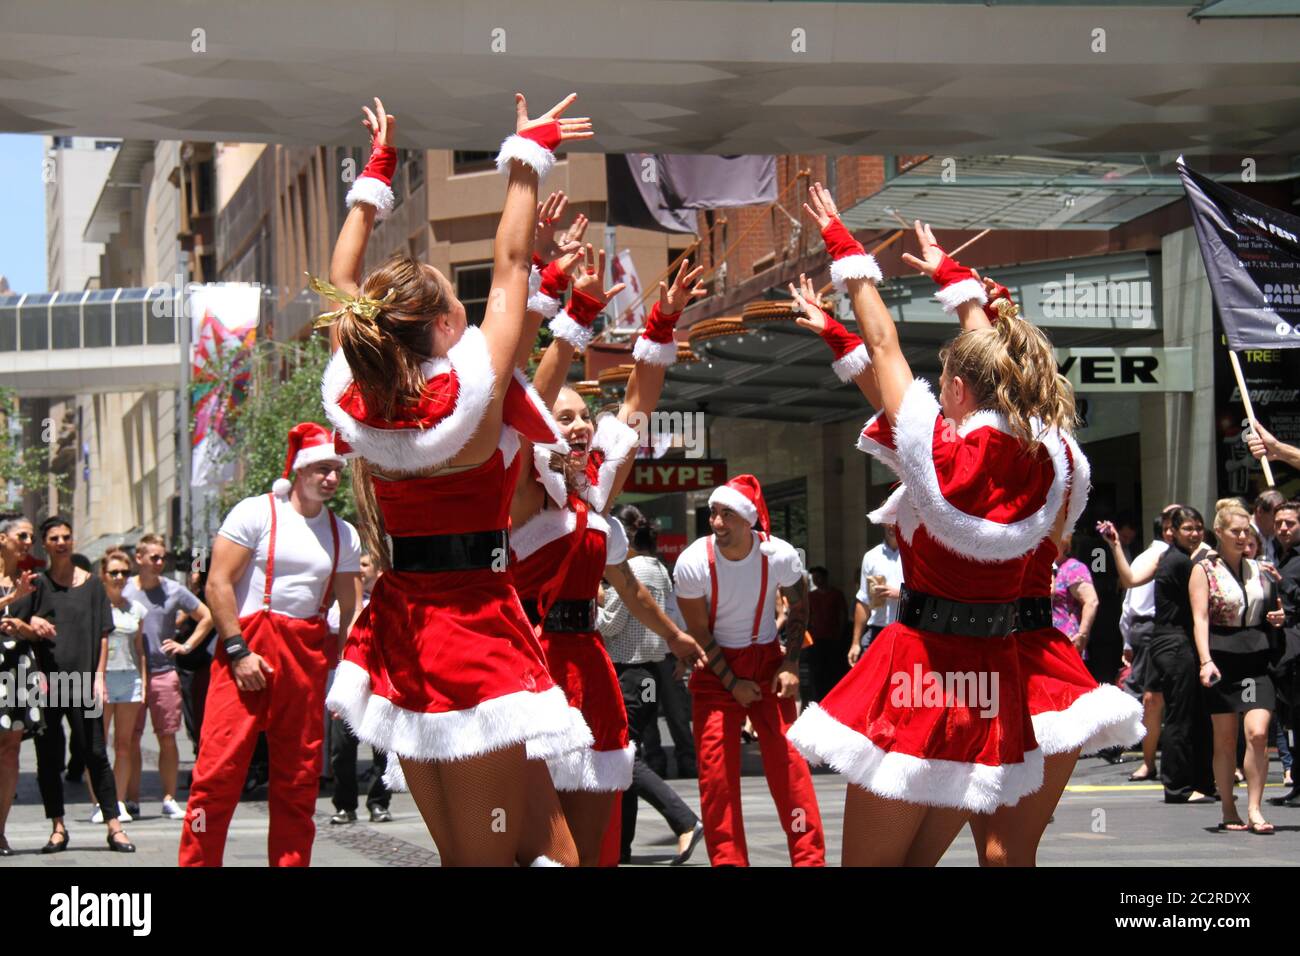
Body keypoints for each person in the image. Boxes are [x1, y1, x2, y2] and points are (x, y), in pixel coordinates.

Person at [322, 95, 599, 867]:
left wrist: (378, 172)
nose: (469, 312)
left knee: (536, 851)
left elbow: (345, 279)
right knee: (488, 858)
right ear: (445, 327)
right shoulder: (471, 396)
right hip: (470, 628)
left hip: (405, 624)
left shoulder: (367, 398)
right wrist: (525, 155)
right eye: (456, 299)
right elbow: (510, 266)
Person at [786, 197, 1073, 866]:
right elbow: (995, 366)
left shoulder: (938, 452)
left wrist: (846, 253)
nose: (932, 386)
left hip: (920, 670)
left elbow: (884, 347)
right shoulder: (1047, 456)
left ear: (958, 390)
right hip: (990, 677)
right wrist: (957, 286)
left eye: (942, 376)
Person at [510, 240, 708, 866]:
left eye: (581, 417)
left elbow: (638, 404)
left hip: (590, 664)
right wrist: (578, 311)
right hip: (530, 662)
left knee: (598, 840)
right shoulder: (521, 489)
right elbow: (524, 407)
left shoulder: (594, 494)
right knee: (533, 838)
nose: (575, 425)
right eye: (562, 415)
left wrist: (663, 322)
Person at [179, 422, 362, 866]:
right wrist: (238, 650)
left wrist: (354, 675)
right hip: (247, 649)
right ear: (299, 471)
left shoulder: (345, 535)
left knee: (299, 781)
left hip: (304, 657)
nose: (331, 477)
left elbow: (353, 609)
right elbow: (218, 583)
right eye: (322, 468)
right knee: (217, 774)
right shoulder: (255, 513)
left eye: (337, 469)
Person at [674, 475, 826, 867]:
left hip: (766, 662)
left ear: (749, 520)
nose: (717, 523)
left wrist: (792, 663)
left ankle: (809, 861)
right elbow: (700, 633)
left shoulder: (780, 555)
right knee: (717, 778)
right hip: (715, 668)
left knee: (790, 769)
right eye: (713, 513)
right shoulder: (693, 562)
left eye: (727, 514)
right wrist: (732, 683)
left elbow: (799, 608)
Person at [598, 505, 705, 865]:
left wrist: (588, 599)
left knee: (625, 756)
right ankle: (621, 847)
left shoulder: (633, 570)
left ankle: (683, 818)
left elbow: (609, 624)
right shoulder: (658, 567)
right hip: (649, 672)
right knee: (629, 754)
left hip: (628, 672)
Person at [24, 516, 135, 852]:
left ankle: (114, 826)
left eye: (67, 537)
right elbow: (18, 622)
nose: (62, 542)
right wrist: (33, 619)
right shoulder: (38, 585)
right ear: (46, 544)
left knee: (95, 753)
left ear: (72, 542)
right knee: (49, 757)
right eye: (55, 538)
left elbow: (104, 635)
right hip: (46, 684)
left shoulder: (92, 585)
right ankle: (58, 828)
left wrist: (99, 677)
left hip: (83, 682)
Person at [1105, 505, 1216, 802]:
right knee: (1183, 716)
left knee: (1180, 713)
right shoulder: (1186, 563)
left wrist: (1115, 545)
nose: (1194, 534)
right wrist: (1206, 659)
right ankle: (1180, 787)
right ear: (1172, 532)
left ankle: (1193, 783)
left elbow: (1128, 579)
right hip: (1178, 643)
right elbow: (1200, 615)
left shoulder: (1167, 558)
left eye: (1198, 528)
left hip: (1163, 642)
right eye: (1187, 529)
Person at [1193, 499, 1286, 833]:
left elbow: (1271, 609)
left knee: (1259, 734)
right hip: (1222, 658)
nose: (1242, 536)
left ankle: (1255, 809)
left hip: (1256, 658)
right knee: (1225, 739)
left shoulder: (1260, 569)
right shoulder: (1203, 569)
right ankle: (1229, 808)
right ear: (1219, 532)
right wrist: (1205, 660)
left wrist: (1277, 617)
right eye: (1235, 531)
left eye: (1247, 531)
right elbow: (1200, 618)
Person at [122, 533, 212, 820]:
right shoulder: (122, 588)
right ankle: (131, 798)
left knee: (167, 737)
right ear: (139, 559)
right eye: (155, 557)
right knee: (130, 739)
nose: (160, 562)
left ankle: (170, 797)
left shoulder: (173, 589)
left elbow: (207, 616)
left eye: (164, 557)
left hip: (163, 672)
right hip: (128, 674)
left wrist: (185, 646)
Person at [328, 551, 392, 825]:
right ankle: (345, 805)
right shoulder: (342, 603)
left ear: (378, 572)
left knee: (383, 749)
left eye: (364, 565)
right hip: (350, 681)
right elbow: (334, 623)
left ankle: (378, 803)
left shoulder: (390, 602)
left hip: (381, 683)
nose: (359, 570)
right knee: (341, 747)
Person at [1117, 506, 1178, 781]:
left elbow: (1127, 605)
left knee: (1148, 692)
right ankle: (1122, 734)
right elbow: (1130, 589)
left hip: (1151, 629)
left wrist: (1126, 639)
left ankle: (1127, 738)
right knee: (1146, 692)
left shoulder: (1150, 555)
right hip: (1152, 628)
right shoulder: (1157, 557)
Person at [0, 512, 46, 855]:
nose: (29, 543)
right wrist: (7, 600)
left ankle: (0, 830)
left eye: (32, 537)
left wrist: (23, 625)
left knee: (11, 748)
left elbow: (40, 629)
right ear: (3, 538)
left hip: (17, 667)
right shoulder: (16, 586)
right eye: (23, 536)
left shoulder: (31, 580)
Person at [95, 550, 147, 825]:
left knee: (124, 744)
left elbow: (140, 650)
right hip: (101, 680)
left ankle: (118, 801)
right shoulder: (95, 607)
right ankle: (98, 804)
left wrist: (144, 682)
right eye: (113, 572)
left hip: (128, 679)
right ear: (103, 574)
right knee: (98, 745)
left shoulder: (135, 609)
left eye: (124, 573)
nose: (119, 577)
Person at [850, 524, 902, 665]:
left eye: (895, 519)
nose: (891, 525)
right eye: (887, 519)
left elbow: (927, 596)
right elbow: (863, 600)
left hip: (906, 632)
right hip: (876, 633)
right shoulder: (871, 557)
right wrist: (855, 642)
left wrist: (899, 594)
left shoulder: (915, 555)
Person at [1051, 532, 1099, 658]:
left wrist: (1082, 634)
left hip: (1068, 641)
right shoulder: (1044, 568)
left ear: (1065, 545)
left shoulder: (1073, 568)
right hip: (1046, 643)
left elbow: (1091, 601)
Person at [806, 566, 848, 702]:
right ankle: (817, 699)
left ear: (825, 578)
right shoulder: (811, 596)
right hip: (816, 640)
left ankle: (833, 698)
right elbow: (807, 616)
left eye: (818, 577)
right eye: (814, 579)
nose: (816, 581)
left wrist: (840, 635)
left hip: (833, 639)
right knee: (817, 672)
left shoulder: (836, 594)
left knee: (833, 671)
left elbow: (842, 615)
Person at [1252, 490, 1285, 566]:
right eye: (1275, 515)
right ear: (1260, 511)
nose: (1281, 525)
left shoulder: (1276, 538)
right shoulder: (1245, 535)